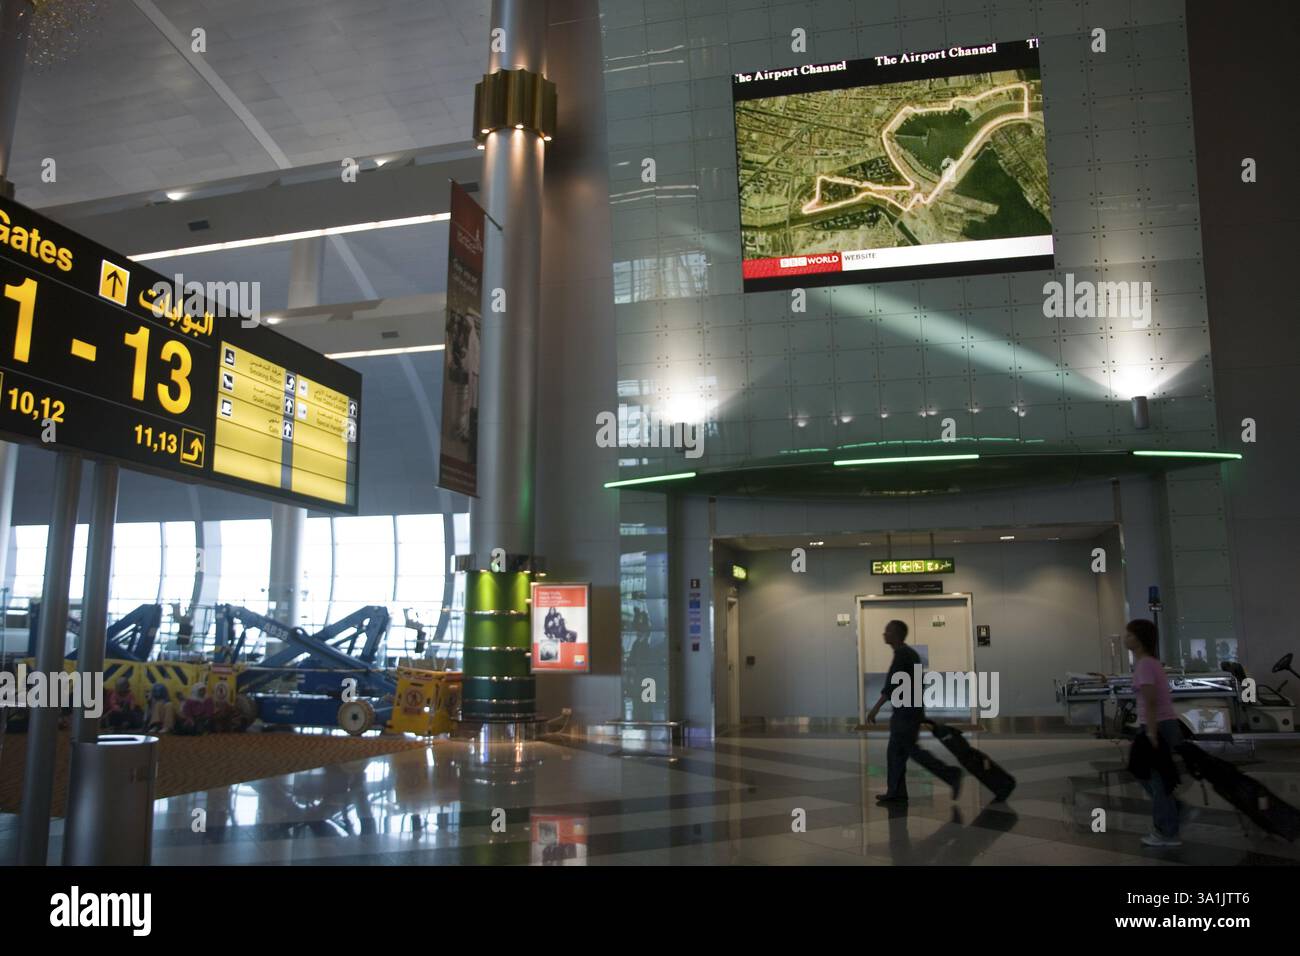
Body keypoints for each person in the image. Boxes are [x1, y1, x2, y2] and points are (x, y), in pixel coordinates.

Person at [866, 619, 962, 806]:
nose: (884, 634)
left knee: (910, 751)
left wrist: (875, 708)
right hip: (909, 711)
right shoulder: (910, 654)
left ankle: (950, 774)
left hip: (905, 714)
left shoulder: (902, 655)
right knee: (896, 752)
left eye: (887, 631)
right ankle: (896, 792)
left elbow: (892, 686)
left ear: (896, 634)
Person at [1125, 618, 1184, 847]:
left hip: (1156, 725)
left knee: (1157, 780)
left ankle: (1167, 832)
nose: (1125, 638)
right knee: (1142, 772)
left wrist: (1151, 733)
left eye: (1129, 634)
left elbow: (1150, 701)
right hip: (1156, 724)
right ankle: (1174, 810)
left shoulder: (1146, 665)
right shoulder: (1146, 663)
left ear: (1138, 639)